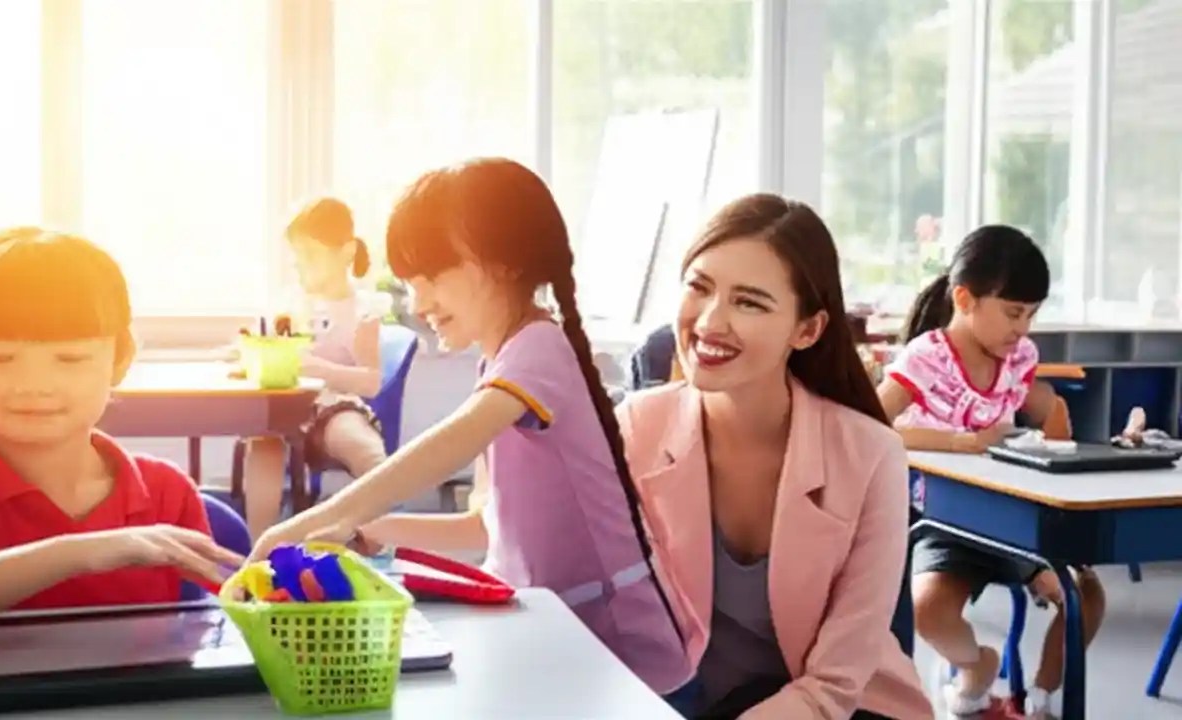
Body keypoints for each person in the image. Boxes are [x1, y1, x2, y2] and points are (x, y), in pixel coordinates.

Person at [246, 158, 691, 697]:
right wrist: (366, 532)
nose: (419, 303)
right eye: (411, 284)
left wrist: (318, 517)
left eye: (432, 278)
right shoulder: (501, 361)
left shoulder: (538, 351)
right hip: (553, 641)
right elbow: (484, 526)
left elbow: (449, 442)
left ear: (501, 264)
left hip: (620, 658)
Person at [617, 194, 931, 719]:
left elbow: (834, 683)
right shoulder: (637, 426)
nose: (710, 322)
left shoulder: (873, 455)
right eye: (699, 287)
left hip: (848, 708)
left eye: (750, 302)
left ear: (807, 330)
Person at [0, 228, 242, 650]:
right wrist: (71, 555)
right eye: (0, 358)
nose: (34, 384)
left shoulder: (166, 492)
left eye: (70, 359)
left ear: (118, 361)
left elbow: (214, 635)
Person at [876, 226, 1105, 718]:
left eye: (1031, 314)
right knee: (928, 611)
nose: (1023, 328)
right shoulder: (927, 357)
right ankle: (978, 667)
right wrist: (960, 443)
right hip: (948, 518)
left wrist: (1065, 439)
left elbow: (1046, 407)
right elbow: (873, 425)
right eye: (1013, 313)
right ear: (965, 299)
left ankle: (1043, 697)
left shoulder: (1017, 358)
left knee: (1085, 595)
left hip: (1014, 519)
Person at [243, 198, 388, 537]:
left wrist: (317, 368)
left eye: (311, 256)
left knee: (370, 454)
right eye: (297, 258)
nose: (300, 266)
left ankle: (374, 538)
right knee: (264, 443)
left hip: (333, 407)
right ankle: (255, 547)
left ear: (346, 252)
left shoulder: (363, 311)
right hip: (282, 405)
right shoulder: (289, 304)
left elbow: (371, 381)